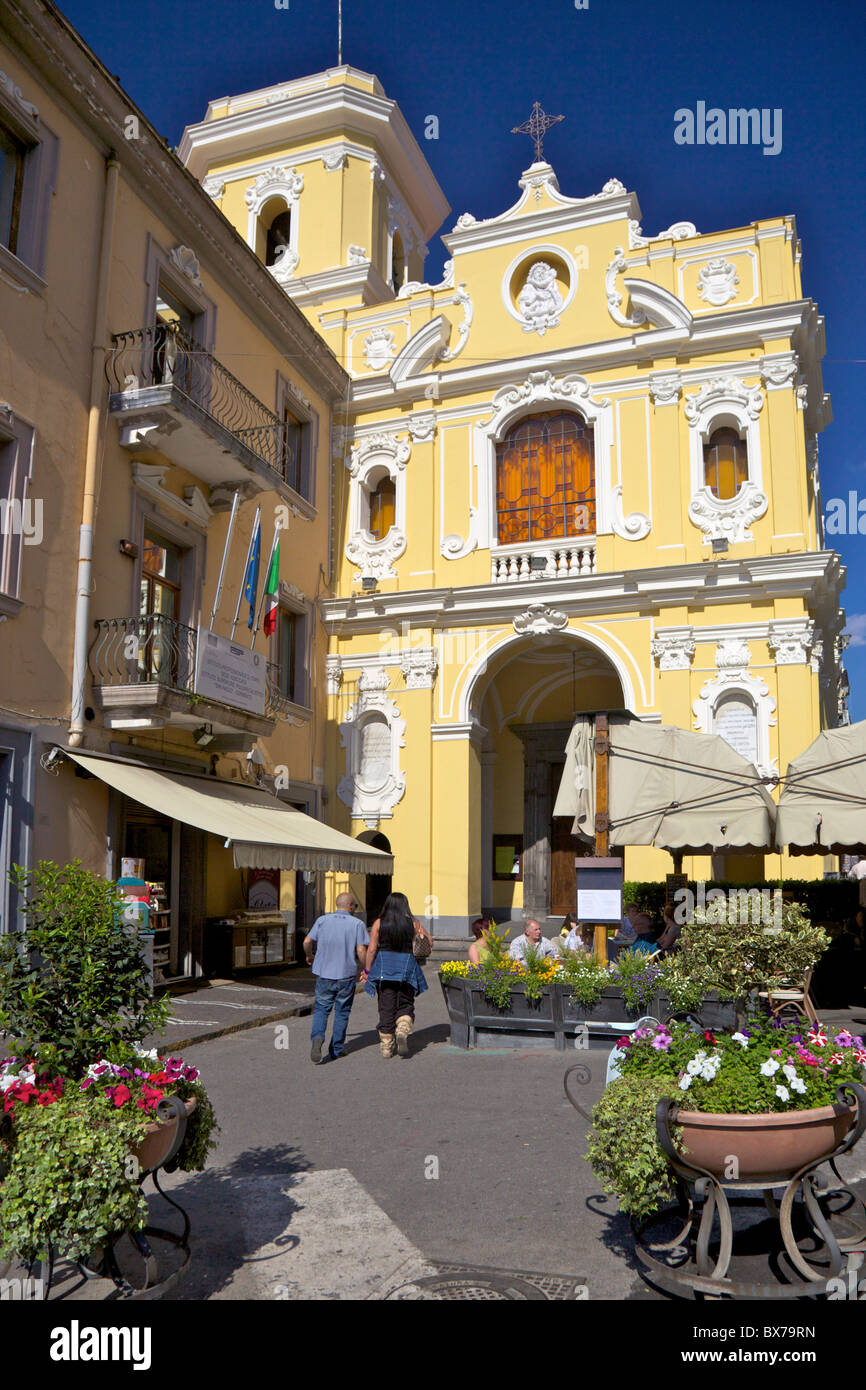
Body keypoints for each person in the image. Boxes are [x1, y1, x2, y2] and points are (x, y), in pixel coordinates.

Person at [362, 892, 432, 1058]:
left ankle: (386, 1046)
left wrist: (366, 971)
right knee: (406, 1002)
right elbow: (428, 941)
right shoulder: (413, 923)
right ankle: (402, 1028)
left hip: (384, 969)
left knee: (386, 1005)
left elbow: (371, 949)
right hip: (407, 967)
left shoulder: (379, 923)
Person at [303, 892, 368, 1064]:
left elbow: (307, 941)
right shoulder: (357, 924)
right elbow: (361, 951)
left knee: (322, 1009)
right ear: (350, 906)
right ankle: (337, 1048)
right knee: (342, 1011)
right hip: (345, 975)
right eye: (354, 906)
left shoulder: (322, 920)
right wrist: (367, 968)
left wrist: (309, 956)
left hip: (324, 974)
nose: (354, 908)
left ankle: (317, 1038)